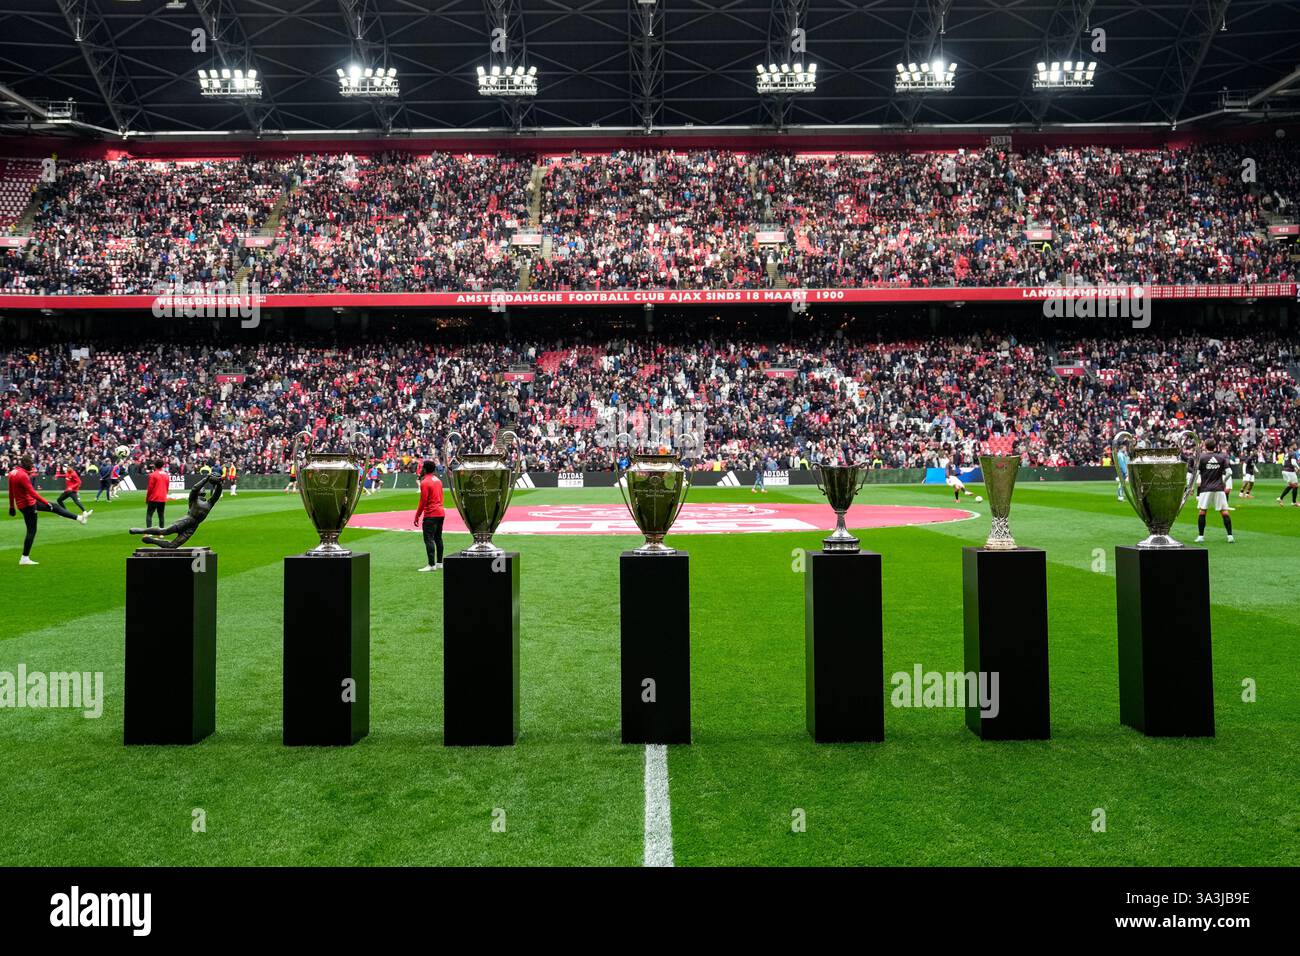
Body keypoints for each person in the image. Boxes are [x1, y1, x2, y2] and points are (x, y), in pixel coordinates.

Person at [8, 454, 89, 565]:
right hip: (29, 505)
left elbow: (11, 491)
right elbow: (32, 493)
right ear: (27, 464)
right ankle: (24, 558)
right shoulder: (23, 476)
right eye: (31, 464)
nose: (32, 466)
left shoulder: (13, 472)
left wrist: (11, 507)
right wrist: (46, 503)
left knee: (55, 507)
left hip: (25, 504)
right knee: (31, 531)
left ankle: (79, 518)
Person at [1195, 439, 1234, 543]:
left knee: (1202, 511)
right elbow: (1229, 472)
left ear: (1205, 446)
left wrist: (1197, 482)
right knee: (1224, 511)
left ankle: (1201, 536)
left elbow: (1196, 473)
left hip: (1205, 488)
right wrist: (1223, 481)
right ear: (1215, 446)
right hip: (1219, 488)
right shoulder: (1221, 458)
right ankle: (1230, 536)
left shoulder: (1201, 458)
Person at [414, 459, 445, 572]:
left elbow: (423, 501)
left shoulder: (425, 482)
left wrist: (417, 515)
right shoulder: (438, 480)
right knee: (438, 538)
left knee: (429, 539)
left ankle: (431, 564)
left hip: (431, 514)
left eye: (423, 467)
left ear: (425, 469)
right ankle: (439, 563)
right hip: (440, 512)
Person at [146, 460, 168, 528]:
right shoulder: (166, 475)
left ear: (155, 466)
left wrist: (147, 498)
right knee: (161, 515)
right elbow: (167, 487)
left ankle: (149, 531)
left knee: (149, 514)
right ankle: (162, 531)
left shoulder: (153, 475)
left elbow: (150, 488)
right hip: (162, 498)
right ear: (162, 465)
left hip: (154, 498)